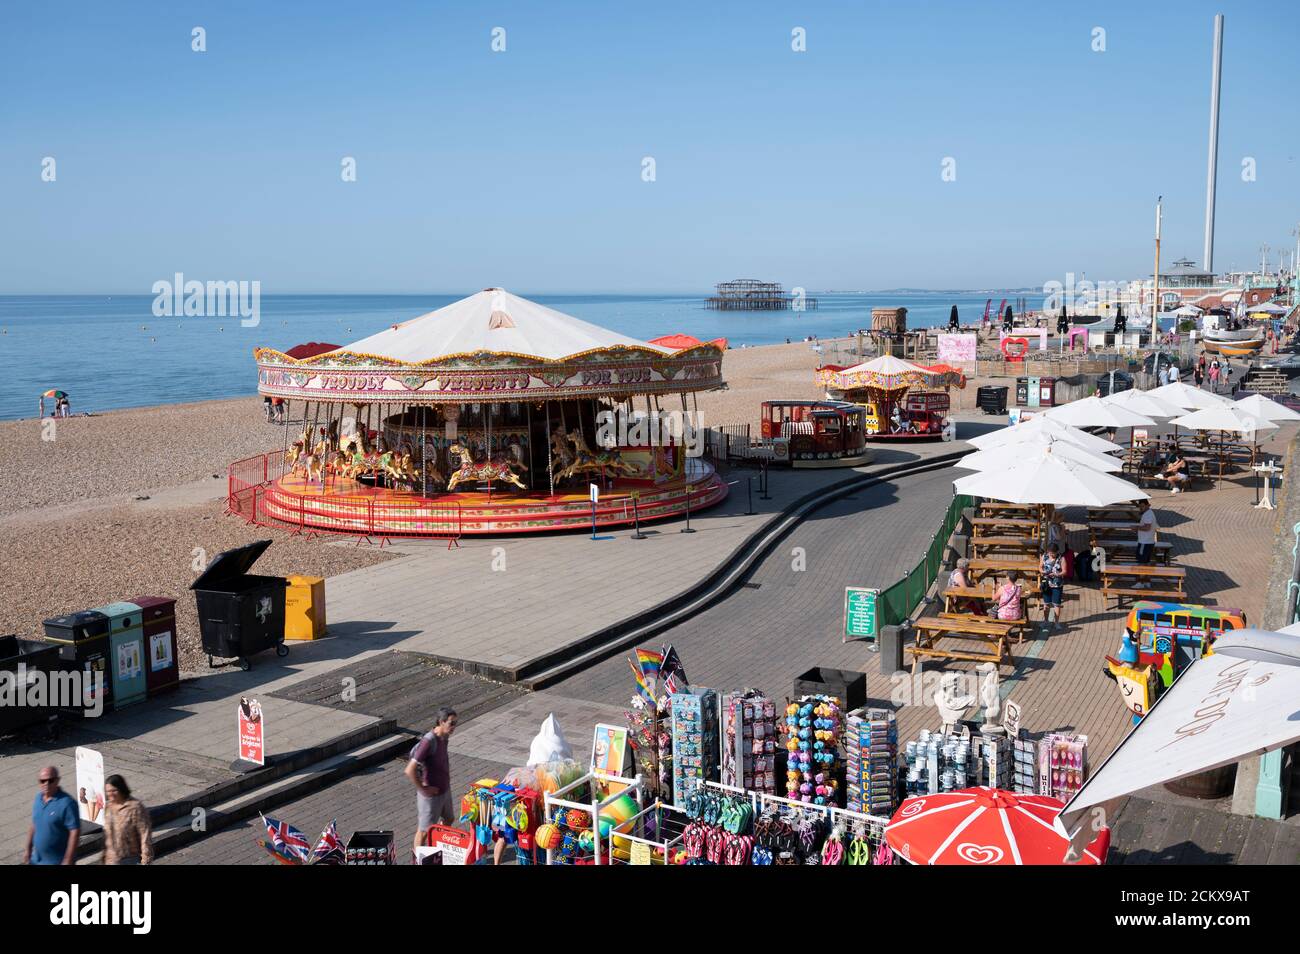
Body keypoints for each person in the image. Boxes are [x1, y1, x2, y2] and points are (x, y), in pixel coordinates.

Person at [406, 706, 458, 857]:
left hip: (444, 790)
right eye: (451, 723)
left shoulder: (445, 736)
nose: (454, 727)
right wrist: (423, 789)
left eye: (456, 723)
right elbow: (409, 769)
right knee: (423, 832)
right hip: (430, 796)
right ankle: (418, 859)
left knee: (449, 819)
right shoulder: (428, 741)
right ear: (441, 722)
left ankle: (436, 847)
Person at [25, 766, 79, 865]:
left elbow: (74, 832)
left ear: (57, 781)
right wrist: (28, 849)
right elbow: (34, 823)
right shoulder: (38, 799)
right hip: (36, 860)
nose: (46, 784)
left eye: (50, 780)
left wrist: (68, 859)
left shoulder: (67, 804)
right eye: (43, 781)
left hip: (57, 861)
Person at [101, 775, 152, 865]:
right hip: (111, 859)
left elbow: (145, 835)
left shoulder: (135, 807)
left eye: (114, 790)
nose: (110, 794)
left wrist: (145, 859)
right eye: (108, 791)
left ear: (121, 789)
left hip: (130, 859)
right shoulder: (108, 807)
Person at [1040, 544, 1066, 629]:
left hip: (1057, 584)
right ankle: (1046, 621)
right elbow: (1040, 567)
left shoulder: (1061, 558)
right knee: (1046, 604)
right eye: (1050, 553)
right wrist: (1042, 571)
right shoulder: (1044, 556)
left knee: (1056, 604)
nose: (1051, 555)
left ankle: (1057, 622)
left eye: (1053, 553)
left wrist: (1057, 574)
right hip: (1046, 584)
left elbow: (1065, 571)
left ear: (1057, 552)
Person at [1135, 499, 1158, 569]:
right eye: (1140, 506)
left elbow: (1147, 527)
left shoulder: (1148, 514)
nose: (1141, 508)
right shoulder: (1148, 513)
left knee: (1141, 562)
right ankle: (1145, 578)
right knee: (1146, 562)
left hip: (1145, 542)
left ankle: (1141, 578)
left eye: (1143, 506)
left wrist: (1137, 528)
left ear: (1148, 505)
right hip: (1148, 541)